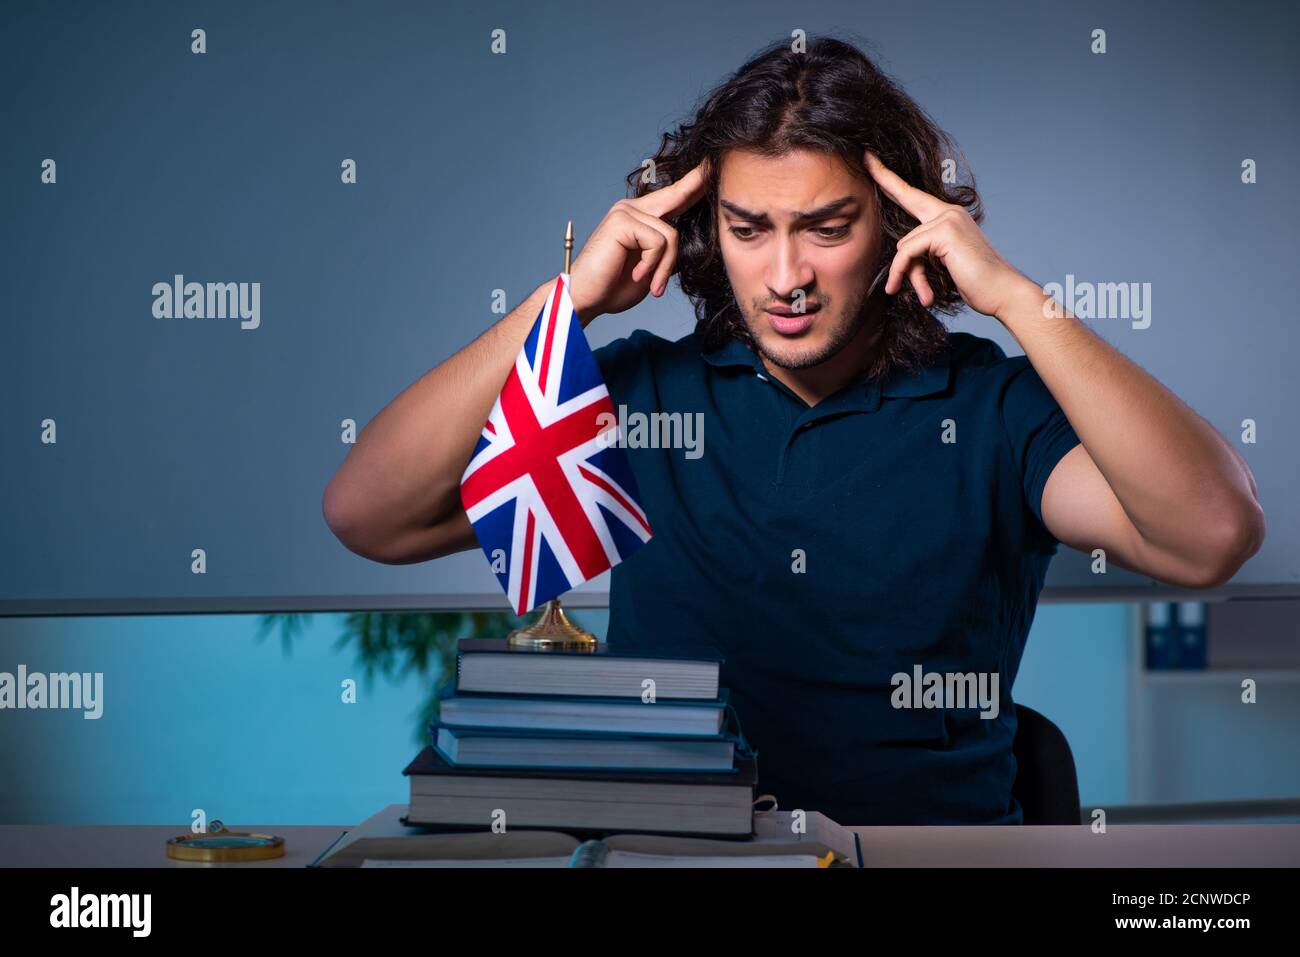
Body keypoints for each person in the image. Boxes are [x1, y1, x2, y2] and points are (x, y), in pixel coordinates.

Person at [322, 36, 1264, 824]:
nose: (784, 276)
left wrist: (1017, 300)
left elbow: (1212, 534)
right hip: (684, 862)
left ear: (898, 226)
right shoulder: (645, 399)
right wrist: (562, 306)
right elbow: (373, 514)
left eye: (826, 227)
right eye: (747, 228)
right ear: (706, 233)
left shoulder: (990, 410)